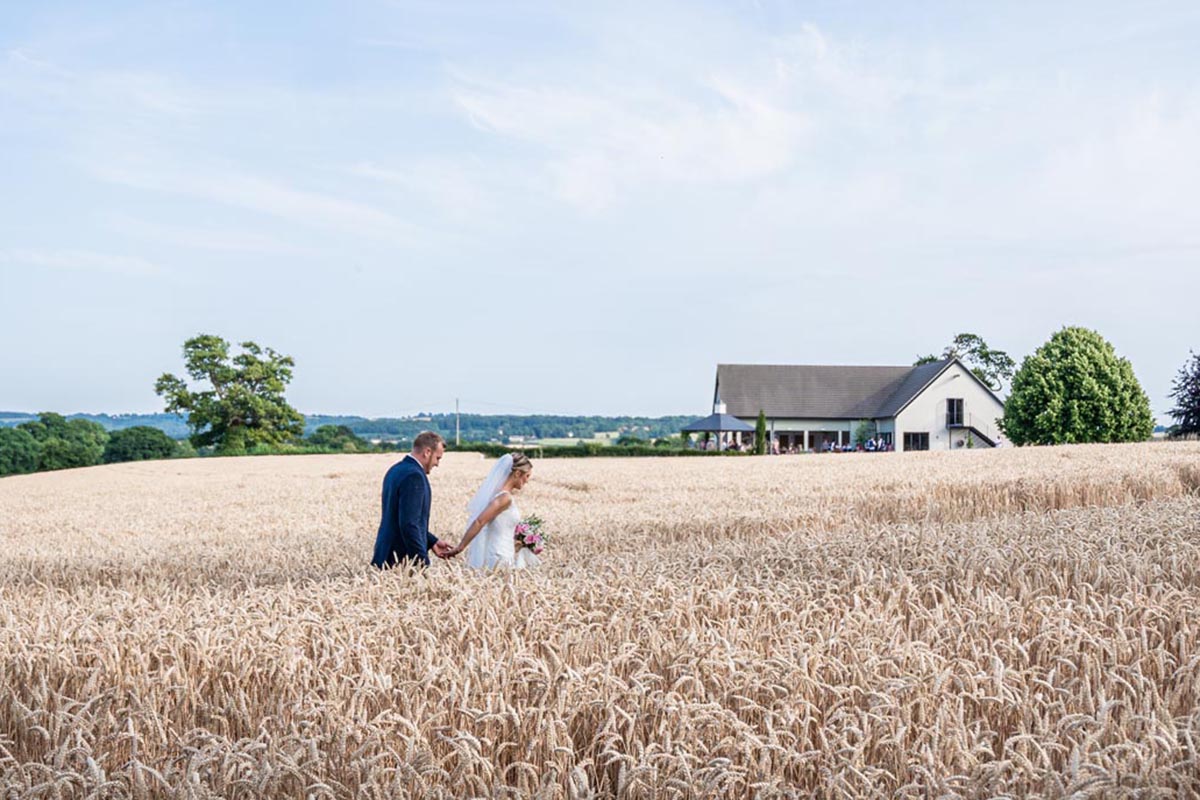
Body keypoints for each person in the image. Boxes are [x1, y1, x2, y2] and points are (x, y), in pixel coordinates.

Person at [370, 431, 453, 569]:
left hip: (385, 553)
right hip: (399, 560)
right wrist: (422, 562)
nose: (437, 464)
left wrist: (432, 541)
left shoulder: (396, 469)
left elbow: (399, 517)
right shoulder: (414, 476)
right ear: (427, 452)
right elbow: (409, 524)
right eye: (437, 458)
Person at [447, 453, 536, 569]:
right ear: (518, 473)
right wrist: (460, 547)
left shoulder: (497, 494)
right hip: (499, 554)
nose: (527, 481)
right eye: (527, 476)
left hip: (504, 550)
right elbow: (479, 521)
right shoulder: (505, 498)